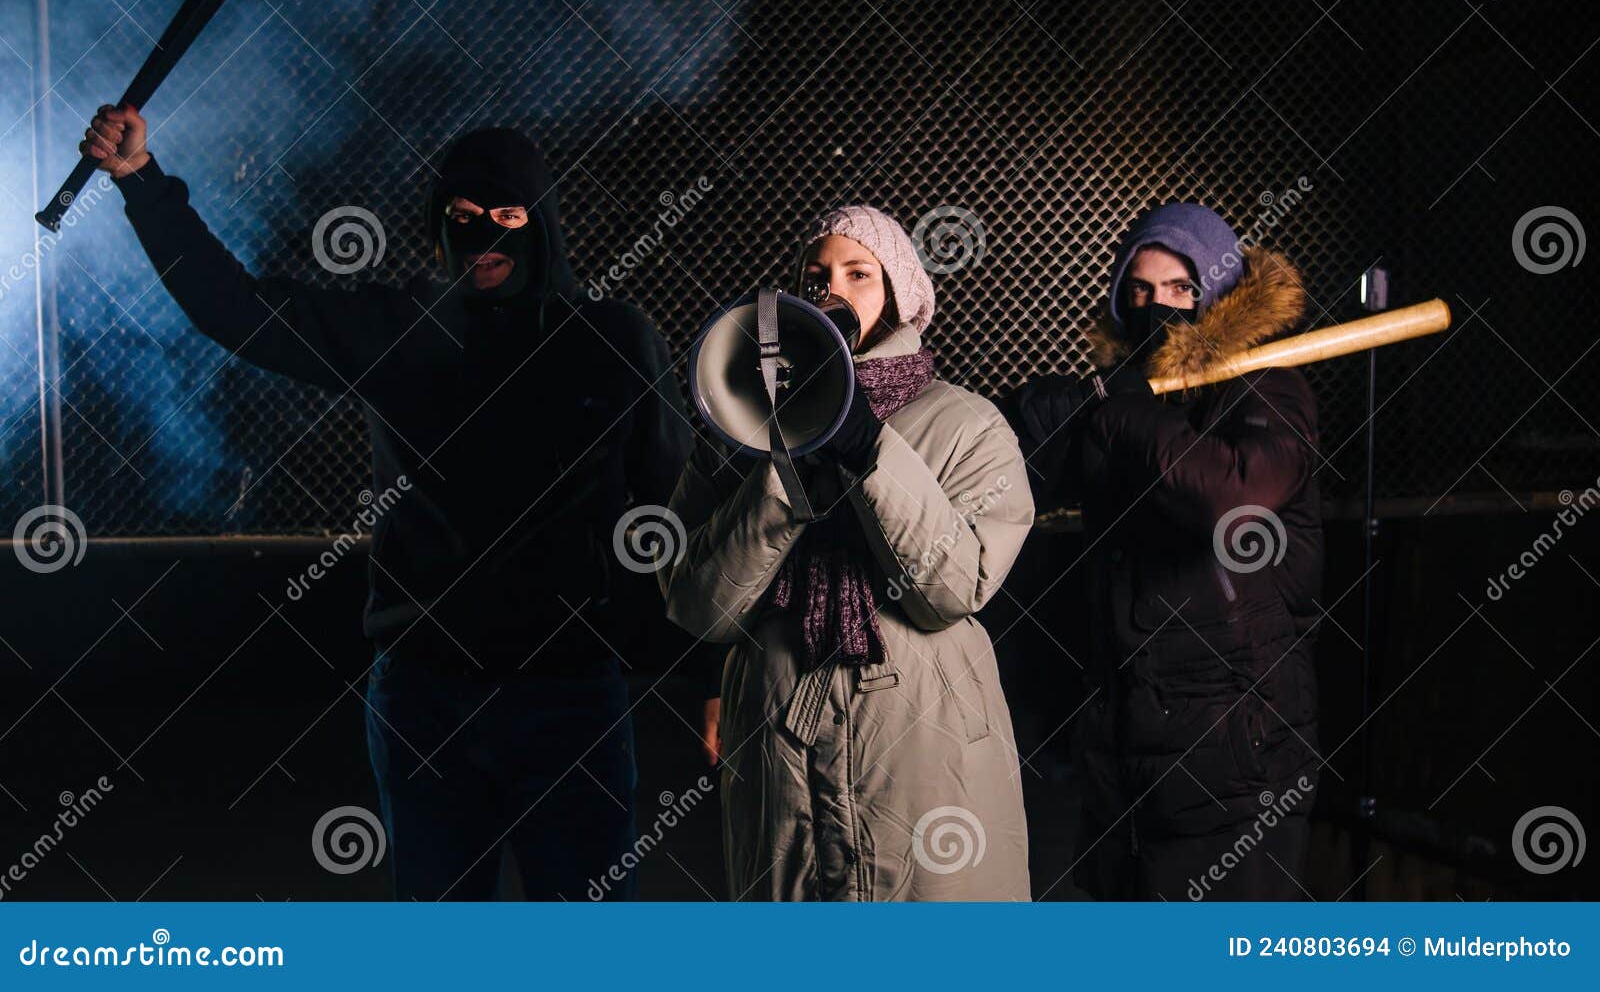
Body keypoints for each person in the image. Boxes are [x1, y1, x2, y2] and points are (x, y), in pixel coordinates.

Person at [81, 103, 690, 901]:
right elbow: (240, 311)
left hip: (570, 695)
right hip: (428, 696)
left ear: (542, 222)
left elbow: (673, 496)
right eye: (463, 218)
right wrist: (141, 181)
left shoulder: (614, 338)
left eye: (507, 216)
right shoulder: (404, 328)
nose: (485, 238)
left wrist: (700, 667)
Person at [661, 204, 1035, 901]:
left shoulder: (969, 424)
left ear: (900, 294)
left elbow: (951, 589)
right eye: (815, 276)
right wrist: (780, 463)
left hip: (923, 747)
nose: (830, 290)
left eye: (858, 273)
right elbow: (695, 603)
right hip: (781, 745)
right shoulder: (741, 422)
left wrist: (869, 447)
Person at [1007, 202, 1324, 900]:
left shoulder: (1269, 387)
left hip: (1236, 764)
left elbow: (1232, 497)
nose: (1158, 308)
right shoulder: (1119, 405)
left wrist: (1122, 411)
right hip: (1124, 764)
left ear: (1217, 293)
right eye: (1140, 291)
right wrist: (1047, 419)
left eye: (1179, 289)